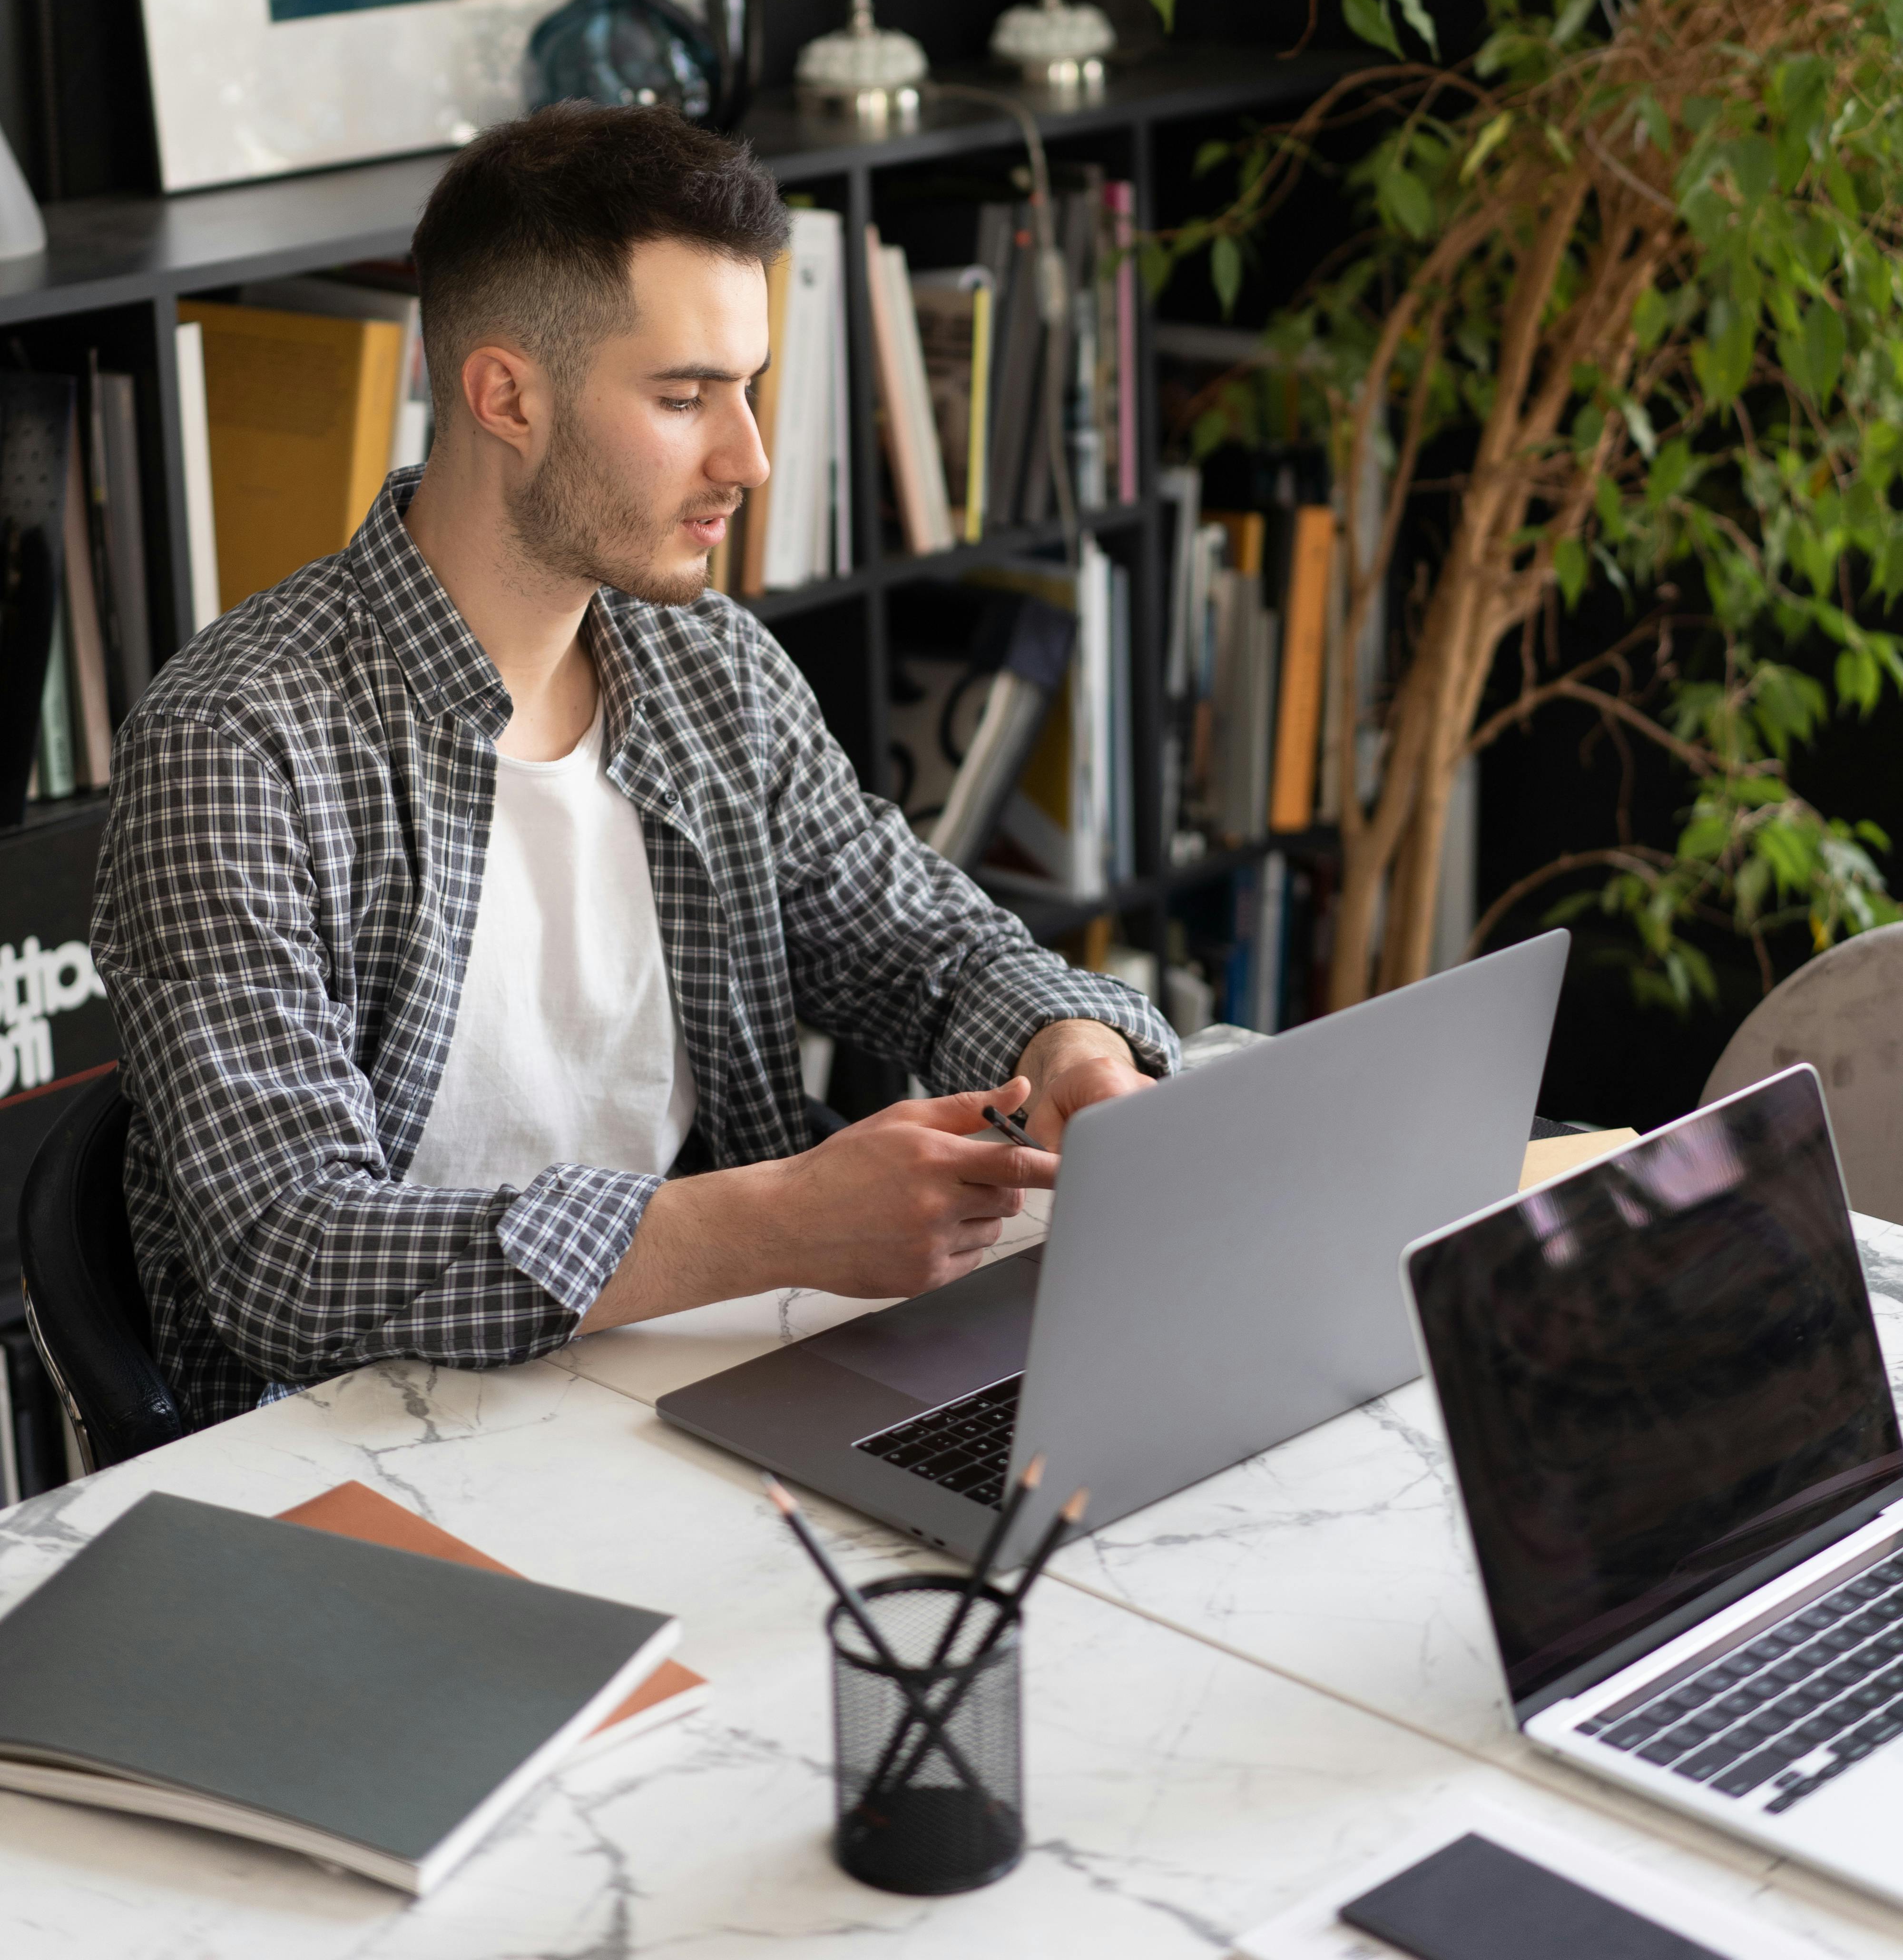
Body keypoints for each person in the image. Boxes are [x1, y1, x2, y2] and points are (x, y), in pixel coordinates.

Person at [94, 104, 1176, 1430]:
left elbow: (929, 948)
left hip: (711, 1382)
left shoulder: (709, 666)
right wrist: (773, 1224)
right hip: (364, 1454)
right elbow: (290, 1254)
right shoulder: (237, 746)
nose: (751, 459)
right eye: (684, 398)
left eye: (750, 389)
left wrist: (1068, 1044)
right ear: (506, 397)